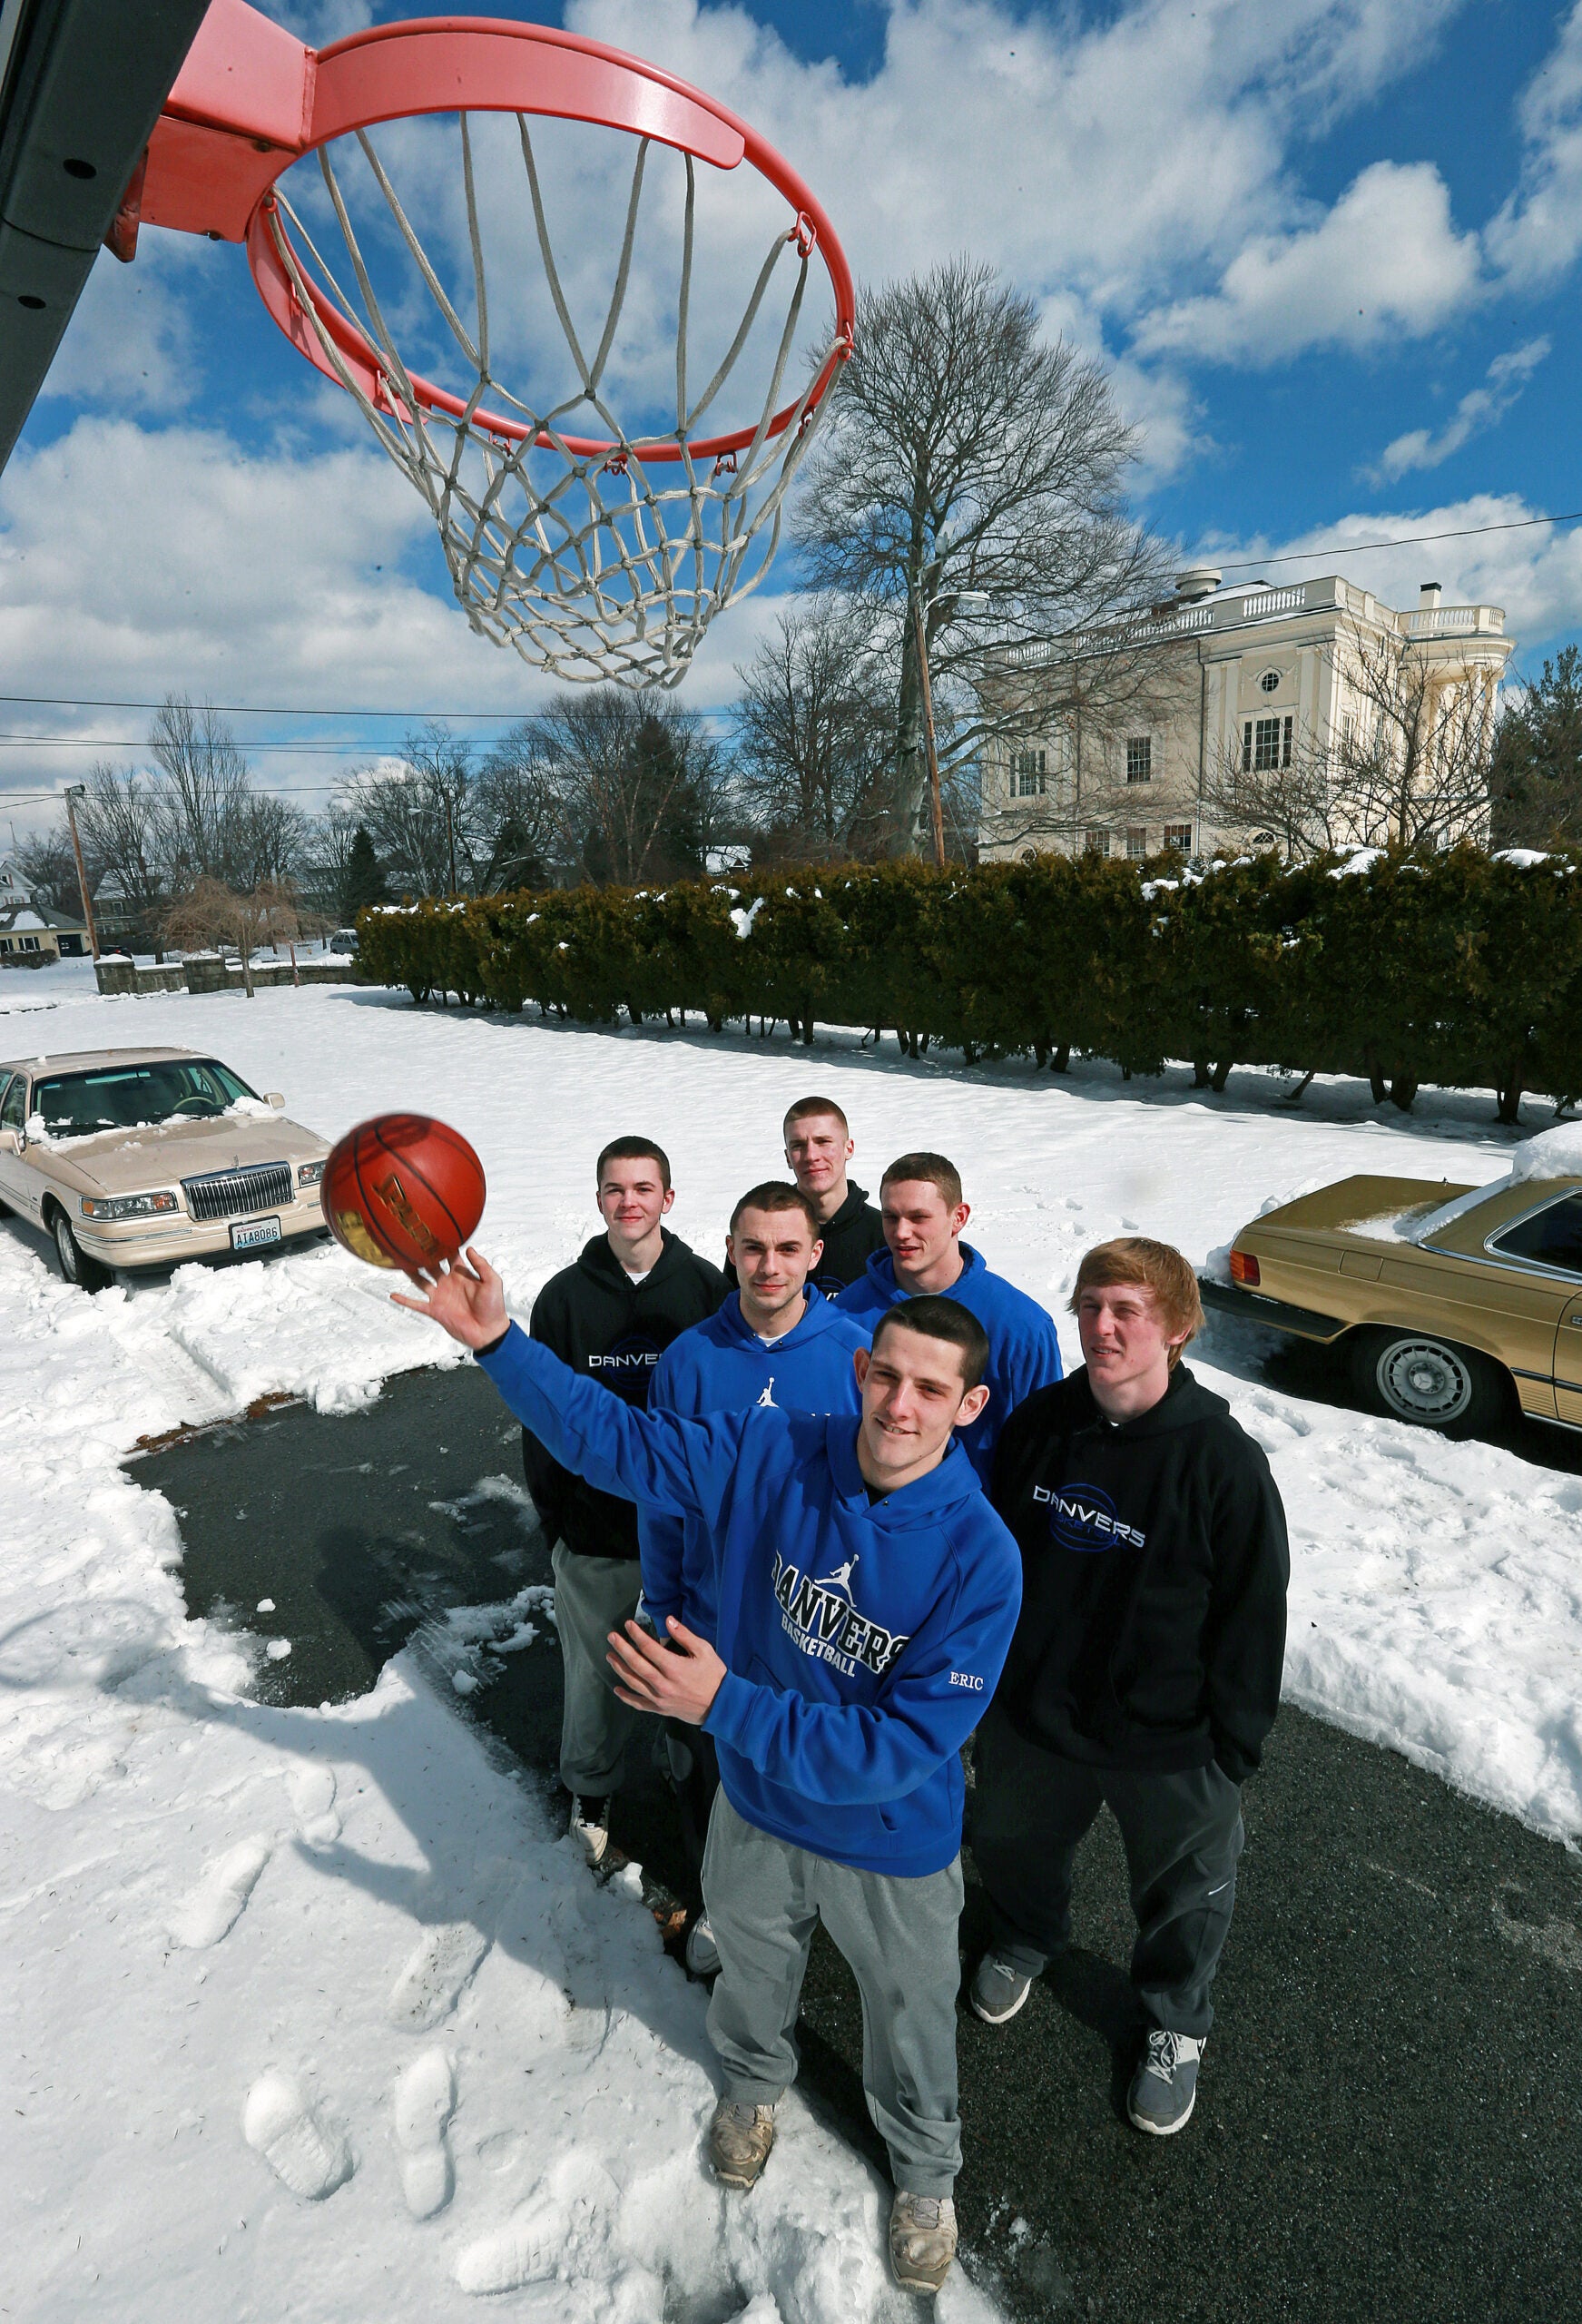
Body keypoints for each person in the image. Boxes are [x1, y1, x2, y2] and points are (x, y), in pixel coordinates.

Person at [396, 1252, 1020, 2300]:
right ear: (860, 1368)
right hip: (760, 1811)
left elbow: (899, 1747)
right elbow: (617, 1442)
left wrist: (723, 1704)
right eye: (886, 1375)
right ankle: (753, 2088)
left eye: (929, 1388)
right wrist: (500, 1344)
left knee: (910, 2020)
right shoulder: (775, 1448)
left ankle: (924, 2175)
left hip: (890, 1845)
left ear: (969, 1405)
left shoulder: (982, 1557)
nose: (899, 1405)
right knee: (754, 1977)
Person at [969, 1237, 1289, 2137]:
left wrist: (1232, 1746)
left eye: (1127, 1311)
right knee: (1010, 1844)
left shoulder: (1222, 1460)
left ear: (1177, 1328)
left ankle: (1175, 2018)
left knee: (1186, 1894)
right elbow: (995, 1561)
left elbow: (1253, 1615)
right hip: (1037, 1715)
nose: (1101, 1327)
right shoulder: (1041, 1424)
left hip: (1168, 1737)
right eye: (1090, 1306)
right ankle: (1024, 1936)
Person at [642, 1179, 871, 1975]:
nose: (769, 1265)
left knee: (808, 1765)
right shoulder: (689, 1359)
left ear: (815, 1253)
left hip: (815, 1622)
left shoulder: (858, 1355)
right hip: (712, 1616)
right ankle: (722, 1900)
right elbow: (661, 1499)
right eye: (752, 1248)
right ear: (730, 1251)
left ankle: (819, 1899)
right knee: (715, 1776)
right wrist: (662, 1604)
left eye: (786, 1248)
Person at [520, 1136, 726, 1865]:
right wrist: (557, 1524)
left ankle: (685, 1769)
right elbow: (542, 1421)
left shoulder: (705, 1289)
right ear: (598, 1198)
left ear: (667, 1197)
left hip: (687, 1535)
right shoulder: (563, 1300)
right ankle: (591, 1785)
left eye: (643, 1188)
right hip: (596, 1533)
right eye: (615, 1188)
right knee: (595, 1674)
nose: (628, 1201)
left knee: (689, 1665)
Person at [837, 1150, 1064, 1482]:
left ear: (958, 1217)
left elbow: (1045, 1448)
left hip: (978, 1507)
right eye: (891, 1217)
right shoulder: (846, 1313)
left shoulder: (1020, 1325)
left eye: (918, 1218)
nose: (901, 1232)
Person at [781, 1095, 886, 1295]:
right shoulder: (766, 1232)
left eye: (823, 1142)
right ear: (787, 1157)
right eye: (798, 1145)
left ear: (848, 1148)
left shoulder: (883, 1235)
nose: (811, 1156)